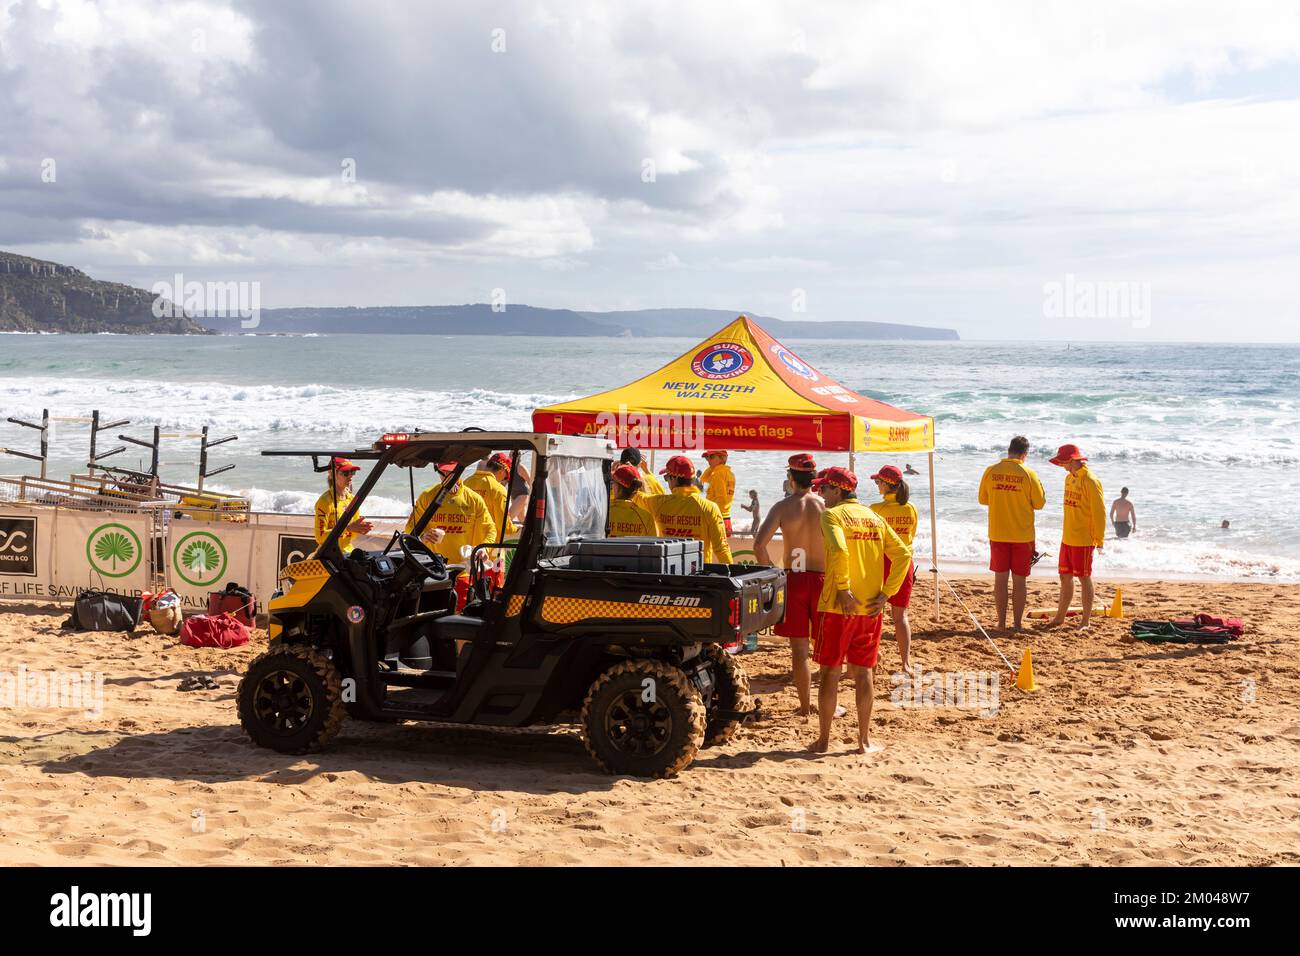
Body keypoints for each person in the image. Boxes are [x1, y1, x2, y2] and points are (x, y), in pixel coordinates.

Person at [807, 467, 911, 755]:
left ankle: (824, 740)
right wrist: (887, 593)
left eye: (824, 489)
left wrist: (842, 587)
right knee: (864, 673)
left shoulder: (832, 515)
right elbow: (903, 553)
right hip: (870, 608)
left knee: (829, 672)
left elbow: (839, 551)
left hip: (839, 606)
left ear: (838, 491)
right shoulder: (873, 516)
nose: (820, 494)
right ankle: (864, 741)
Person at [754, 453, 826, 719]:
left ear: (791, 478)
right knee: (826, 649)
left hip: (794, 578)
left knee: (799, 650)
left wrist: (773, 571)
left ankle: (805, 706)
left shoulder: (782, 507)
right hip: (821, 578)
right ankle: (830, 705)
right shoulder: (824, 505)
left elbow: (759, 545)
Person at [978, 436, 1046, 632]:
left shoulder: (991, 471)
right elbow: (1039, 504)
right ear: (1025, 454)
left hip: (998, 533)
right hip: (1022, 535)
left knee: (1000, 580)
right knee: (1019, 581)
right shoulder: (1028, 473)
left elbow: (983, 499)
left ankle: (1000, 623)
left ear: (1009, 450)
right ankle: (1016, 624)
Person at [1045, 443, 1105, 630]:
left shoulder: (1090, 480)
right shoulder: (1068, 478)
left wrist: (1099, 539)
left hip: (1084, 539)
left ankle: (1085, 621)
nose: (1062, 466)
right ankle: (1060, 617)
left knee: (1084, 577)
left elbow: (1099, 512)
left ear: (1071, 460)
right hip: (1068, 537)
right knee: (1064, 576)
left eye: (1063, 462)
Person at [868, 465, 917, 670]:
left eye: (878, 482)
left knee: (873, 614)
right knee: (901, 616)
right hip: (904, 563)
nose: (876, 485)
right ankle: (905, 662)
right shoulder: (911, 508)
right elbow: (911, 535)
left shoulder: (875, 509)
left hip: (882, 563)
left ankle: (873, 657)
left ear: (887, 485)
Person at [643, 455, 733, 563]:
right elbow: (721, 549)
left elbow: (635, 495)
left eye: (666, 478)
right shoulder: (709, 508)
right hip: (698, 574)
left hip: (667, 573)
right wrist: (731, 575)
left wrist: (641, 471)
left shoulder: (658, 503)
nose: (667, 482)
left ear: (674, 478)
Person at [405, 463, 497, 564]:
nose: (446, 476)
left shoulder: (474, 499)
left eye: (450, 472)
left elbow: (490, 529)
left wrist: (484, 548)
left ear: (459, 471)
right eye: (442, 472)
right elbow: (410, 527)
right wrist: (422, 536)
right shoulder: (427, 496)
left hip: (463, 567)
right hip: (433, 565)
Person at [314, 457, 372, 554]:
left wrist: (359, 529)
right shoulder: (325, 501)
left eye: (352, 472)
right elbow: (320, 537)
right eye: (345, 473)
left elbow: (352, 535)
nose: (350, 476)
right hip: (328, 555)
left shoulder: (352, 500)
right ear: (332, 475)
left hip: (347, 552)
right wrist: (348, 528)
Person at [465, 452, 517, 540]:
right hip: (487, 546)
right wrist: (517, 529)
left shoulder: (466, 482)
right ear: (502, 471)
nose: (503, 481)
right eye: (505, 477)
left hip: (465, 546)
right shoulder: (498, 490)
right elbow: (504, 526)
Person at [608, 464, 658, 537]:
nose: (612, 486)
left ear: (617, 486)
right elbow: (653, 546)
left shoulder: (603, 513)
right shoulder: (646, 517)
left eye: (613, 483)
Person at [700, 450, 736, 535]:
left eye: (711, 457)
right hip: (726, 517)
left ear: (722, 458)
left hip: (717, 518)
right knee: (724, 547)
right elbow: (703, 478)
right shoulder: (729, 473)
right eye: (707, 458)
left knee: (712, 547)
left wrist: (713, 519)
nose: (708, 460)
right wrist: (713, 466)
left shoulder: (718, 474)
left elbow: (721, 497)